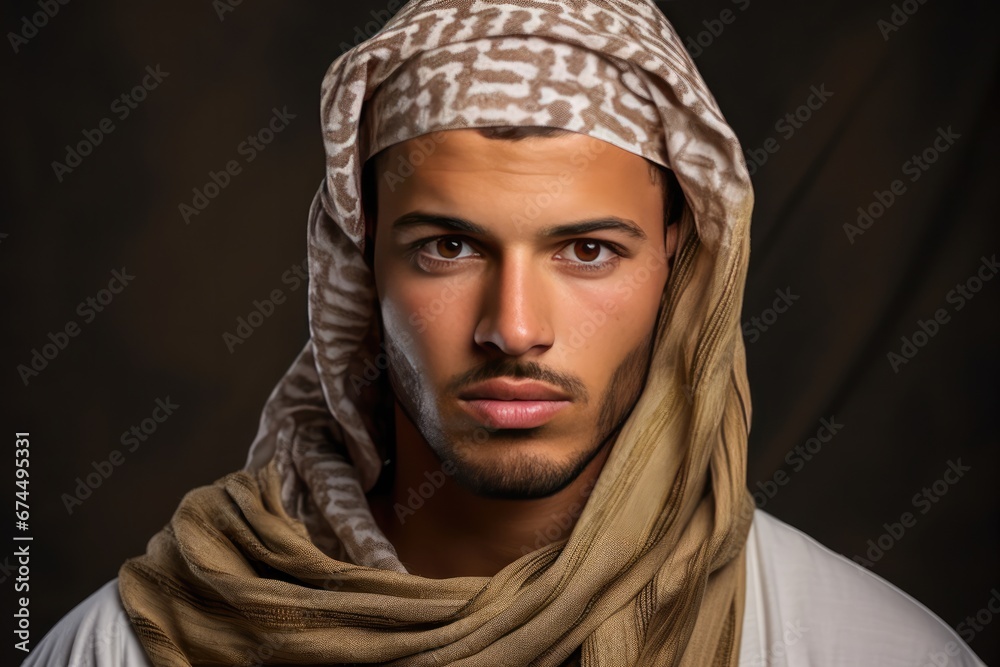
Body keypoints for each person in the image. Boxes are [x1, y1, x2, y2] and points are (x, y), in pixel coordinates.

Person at [23, 0, 987, 665]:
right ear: (362, 264)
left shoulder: (867, 650)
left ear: (679, 263)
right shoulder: (132, 646)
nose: (514, 328)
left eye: (589, 251)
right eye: (447, 246)